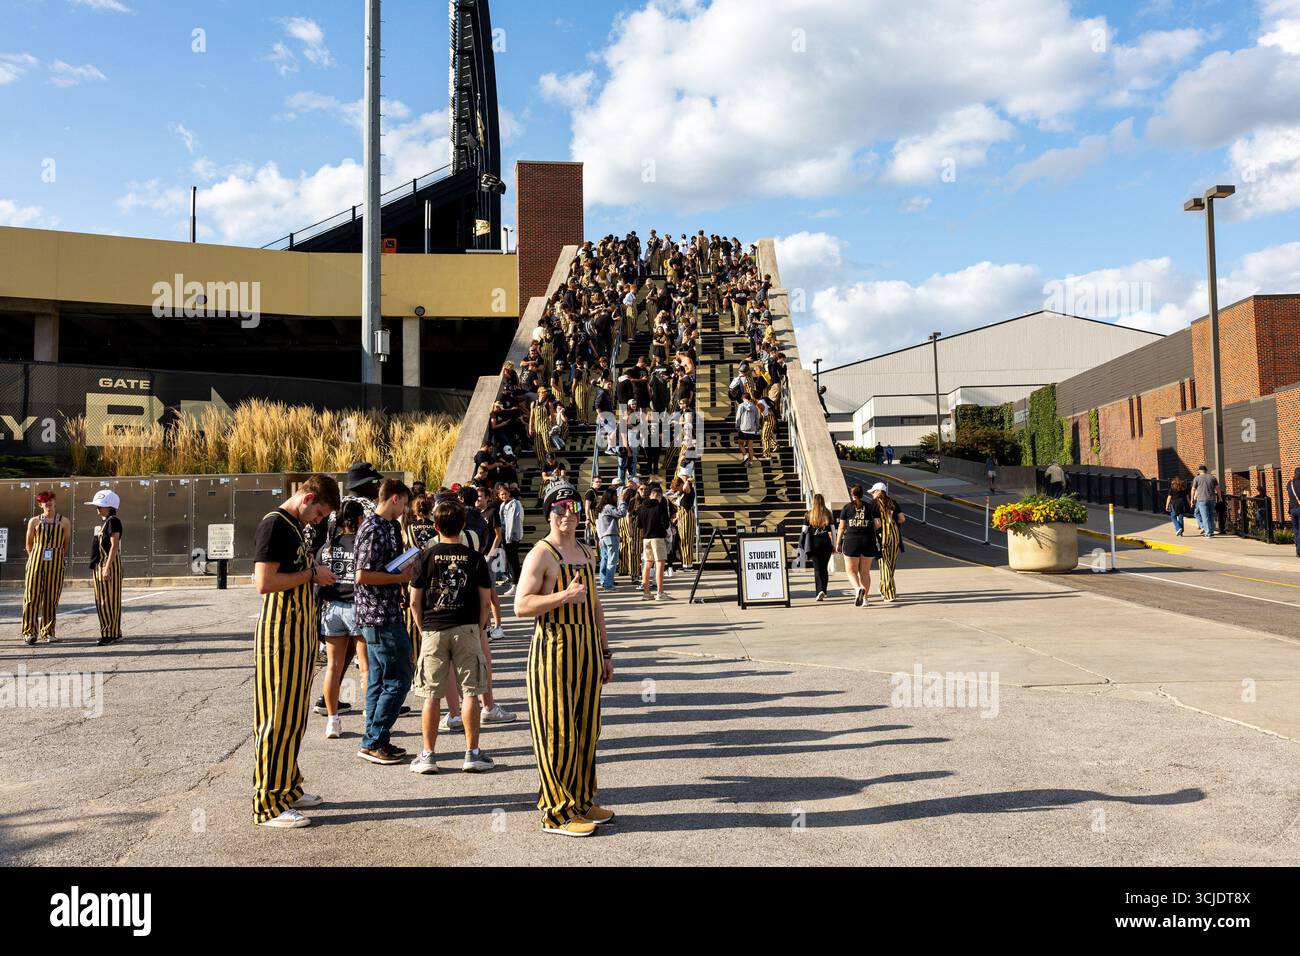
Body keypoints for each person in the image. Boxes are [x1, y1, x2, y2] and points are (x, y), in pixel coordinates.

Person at [514, 485, 614, 837]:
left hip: (587, 652)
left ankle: (582, 800)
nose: (568, 514)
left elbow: (595, 605)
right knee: (557, 732)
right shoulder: (541, 554)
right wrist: (563, 596)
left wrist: (605, 651)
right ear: (549, 514)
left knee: (587, 730)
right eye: (560, 508)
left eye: (573, 507)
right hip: (552, 654)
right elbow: (521, 605)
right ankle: (556, 812)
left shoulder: (587, 552)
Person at [251, 474, 341, 828]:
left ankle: (287, 786)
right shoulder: (275, 525)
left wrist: (313, 571)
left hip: (297, 634)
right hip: (280, 636)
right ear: (307, 498)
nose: (318, 521)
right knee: (276, 719)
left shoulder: (294, 526)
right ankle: (268, 803)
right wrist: (311, 575)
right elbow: (264, 582)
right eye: (319, 513)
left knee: (293, 718)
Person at [408, 498, 497, 775]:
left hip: (434, 627)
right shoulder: (475, 558)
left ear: (436, 527)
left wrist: (423, 628)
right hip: (467, 627)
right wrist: (479, 627)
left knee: (431, 695)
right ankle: (472, 752)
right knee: (471, 691)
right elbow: (485, 600)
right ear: (463, 526)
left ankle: (428, 754)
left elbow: (414, 601)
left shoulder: (425, 556)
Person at [353, 478, 415, 766]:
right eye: (404, 503)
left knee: (379, 680)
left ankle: (373, 739)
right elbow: (362, 574)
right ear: (394, 498)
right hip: (379, 615)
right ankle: (375, 739)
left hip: (382, 613)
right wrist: (399, 577)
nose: (405, 510)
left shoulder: (385, 527)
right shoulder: (374, 528)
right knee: (399, 678)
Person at [316, 499, 366, 738]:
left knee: (333, 667)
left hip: (332, 609)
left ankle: (332, 721)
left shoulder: (327, 547)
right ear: (359, 519)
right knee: (366, 668)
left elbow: (317, 583)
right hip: (358, 607)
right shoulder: (362, 544)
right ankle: (371, 718)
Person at [21, 491, 71, 645]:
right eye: (44, 501)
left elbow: (65, 544)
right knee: (31, 597)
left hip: (55, 562)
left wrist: (56, 555)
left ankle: (48, 632)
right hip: (36, 561)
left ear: (55, 501)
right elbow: (29, 544)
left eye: (50, 500)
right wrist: (35, 557)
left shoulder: (64, 522)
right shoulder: (34, 521)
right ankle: (29, 632)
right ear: (40, 504)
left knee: (52, 598)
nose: (48, 503)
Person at [86, 489, 124, 646]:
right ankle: (114, 632)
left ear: (109, 506)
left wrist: (107, 567)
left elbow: (114, 545)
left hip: (107, 563)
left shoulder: (112, 521)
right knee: (109, 600)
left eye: (100, 505)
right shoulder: (106, 521)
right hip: (102, 563)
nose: (97, 508)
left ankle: (108, 633)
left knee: (105, 601)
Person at [836, 484, 880, 607]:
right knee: (865, 572)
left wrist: (838, 543)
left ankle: (857, 589)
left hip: (851, 541)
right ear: (862, 494)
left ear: (852, 494)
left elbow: (841, 527)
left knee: (851, 571)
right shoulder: (870, 507)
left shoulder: (847, 508)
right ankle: (865, 599)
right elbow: (878, 524)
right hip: (868, 541)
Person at [871, 483, 906, 603]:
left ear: (877, 492)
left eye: (873, 492)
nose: (872, 494)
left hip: (882, 537)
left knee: (884, 565)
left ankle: (889, 593)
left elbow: (877, 524)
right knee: (891, 565)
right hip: (895, 536)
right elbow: (902, 519)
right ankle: (883, 588)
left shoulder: (873, 504)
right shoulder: (893, 502)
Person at [639, 482, 673, 601]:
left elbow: (639, 524)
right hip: (657, 538)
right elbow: (666, 523)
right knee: (659, 564)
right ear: (659, 496)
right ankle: (660, 592)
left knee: (647, 565)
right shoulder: (659, 506)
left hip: (646, 538)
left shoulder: (642, 507)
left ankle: (646, 593)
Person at [799, 494, 834, 601]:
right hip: (826, 543)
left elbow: (804, 530)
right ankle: (824, 590)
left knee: (817, 569)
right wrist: (834, 544)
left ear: (813, 502)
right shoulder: (828, 513)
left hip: (814, 544)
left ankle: (819, 591)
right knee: (824, 568)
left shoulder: (809, 514)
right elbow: (832, 531)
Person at [595, 487, 626, 590]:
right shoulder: (608, 507)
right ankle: (608, 584)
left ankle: (603, 581)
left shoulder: (602, 508)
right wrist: (622, 501)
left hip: (603, 537)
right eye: (615, 496)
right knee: (612, 561)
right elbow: (621, 513)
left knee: (604, 560)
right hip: (611, 536)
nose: (616, 497)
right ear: (610, 496)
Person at [1190, 465, 1219, 538]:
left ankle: (1208, 533)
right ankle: (1211, 531)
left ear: (1199, 471)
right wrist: (1220, 497)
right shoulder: (1213, 477)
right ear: (1206, 471)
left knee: (1205, 517)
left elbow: (1193, 489)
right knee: (1211, 515)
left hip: (1202, 500)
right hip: (1212, 499)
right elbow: (1217, 488)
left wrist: (1192, 499)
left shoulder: (1197, 478)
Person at [735, 391, 760, 465]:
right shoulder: (754, 406)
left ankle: (745, 456)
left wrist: (737, 426)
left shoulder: (741, 406)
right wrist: (757, 427)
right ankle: (751, 462)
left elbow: (738, 417)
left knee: (740, 444)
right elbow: (757, 418)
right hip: (752, 429)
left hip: (743, 429)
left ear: (744, 398)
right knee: (750, 446)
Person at [1287, 468, 1300, 557]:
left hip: (1292, 509)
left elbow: (1290, 497)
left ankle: (1297, 550)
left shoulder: (1289, 483)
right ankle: (1299, 551)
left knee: (1296, 530)